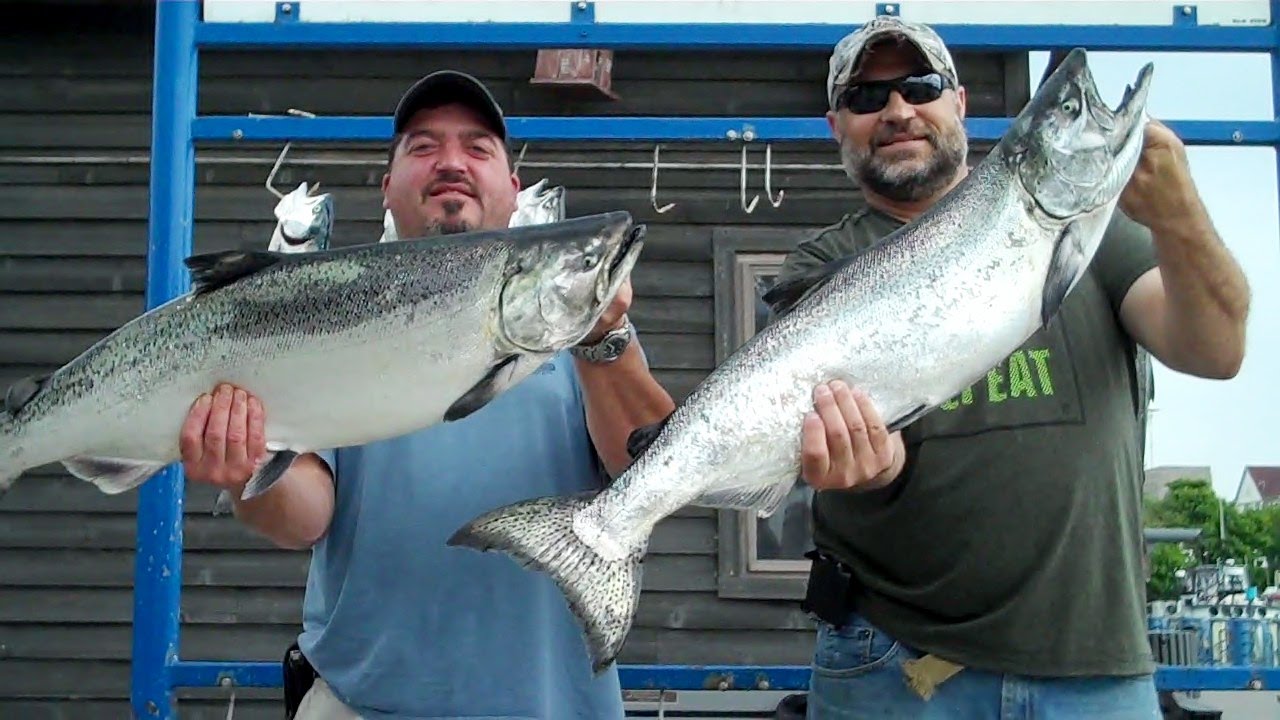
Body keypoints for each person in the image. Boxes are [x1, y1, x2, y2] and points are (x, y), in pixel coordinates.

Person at [774, 16, 1252, 719]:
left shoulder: (1093, 229)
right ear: (835, 126)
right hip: (894, 668)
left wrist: (1181, 217)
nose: (898, 110)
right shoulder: (821, 267)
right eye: (867, 98)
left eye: (920, 86)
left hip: (1096, 669)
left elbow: (1216, 350)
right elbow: (845, 445)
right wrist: (873, 466)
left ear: (960, 102)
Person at [177, 70, 676, 719]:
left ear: (514, 188)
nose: (451, 162)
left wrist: (606, 342)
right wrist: (245, 470)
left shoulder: (577, 321)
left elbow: (653, 474)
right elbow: (306, 517)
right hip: (362, 703)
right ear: (387, 187)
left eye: (477, 147)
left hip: (557, 705)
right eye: (423, 146)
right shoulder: (334, 312)